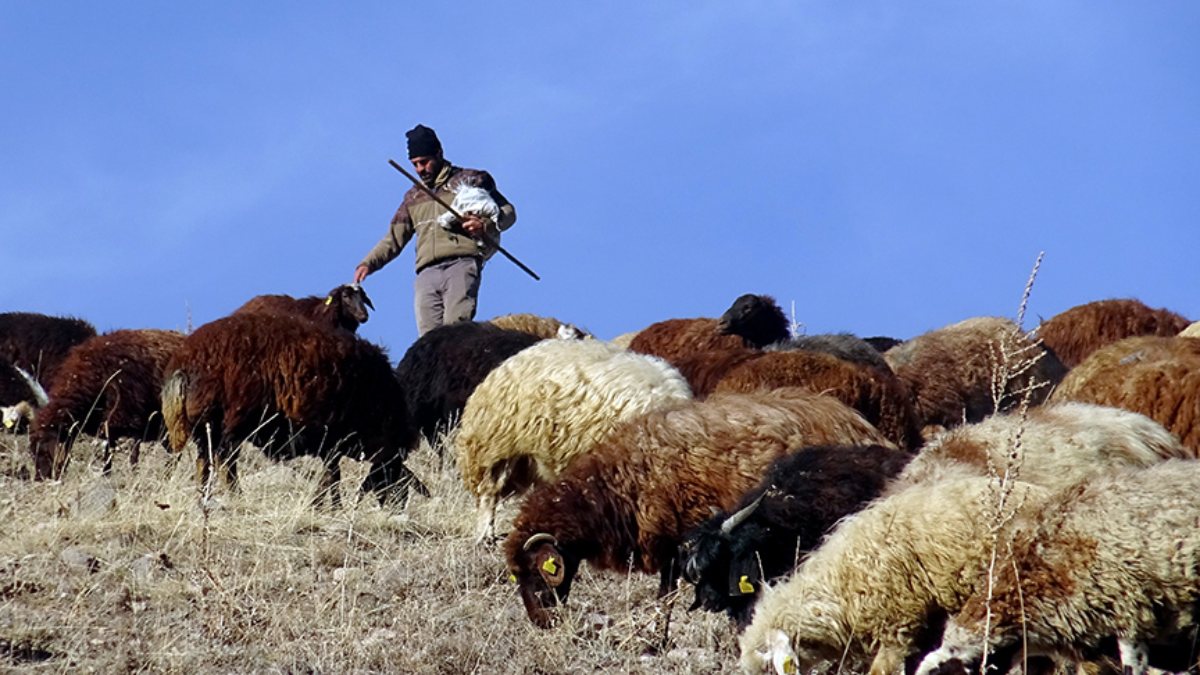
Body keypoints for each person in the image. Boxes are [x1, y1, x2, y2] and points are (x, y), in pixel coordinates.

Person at [354, 124, 516, 336]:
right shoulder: (413, 196)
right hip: (426, 273)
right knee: (428, 342)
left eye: (424, 162)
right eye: (415, 164)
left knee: (456, 333)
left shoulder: (472, 179)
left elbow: (508, 212)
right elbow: (393, 239)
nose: (420, 169)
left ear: (439, 154)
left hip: (461, 263)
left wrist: (483, 225)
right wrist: (368, 263)